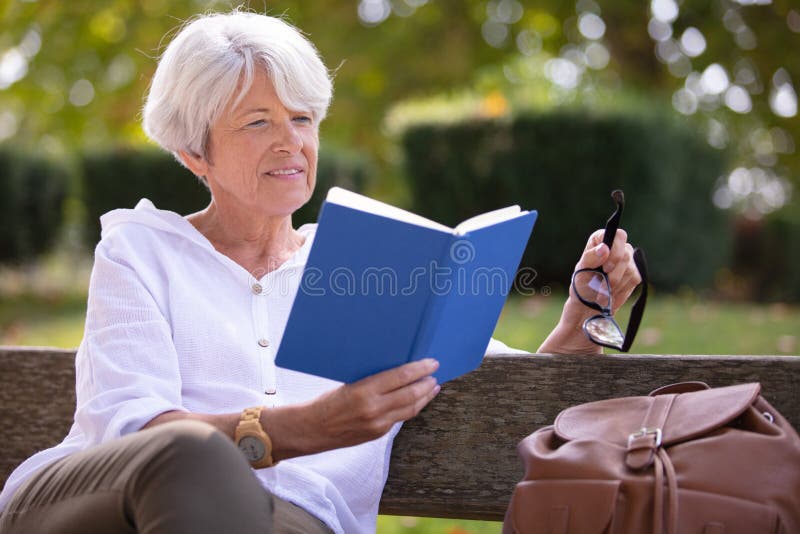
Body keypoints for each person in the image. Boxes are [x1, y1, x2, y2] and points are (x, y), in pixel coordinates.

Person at [0, 10, 641, 534]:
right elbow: (132, 436)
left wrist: (585, 316)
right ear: (195, 151)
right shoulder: (142, 251)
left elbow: (515, 389)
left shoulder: (373, 264)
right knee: (191, 457)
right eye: (258, 122)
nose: (292, 143)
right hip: (96, 506)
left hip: (294, 522)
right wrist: (313, 425)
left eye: (302, 119)